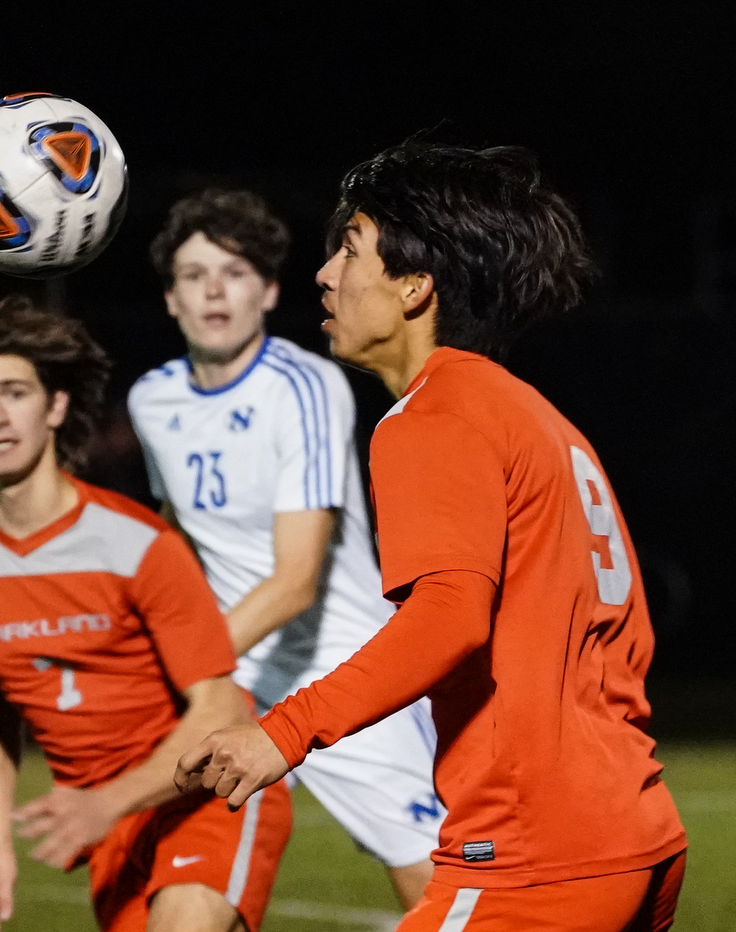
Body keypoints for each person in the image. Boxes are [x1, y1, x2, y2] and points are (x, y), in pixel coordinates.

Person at [175, 142, 688, 932]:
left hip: (536, 856)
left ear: (415, 287)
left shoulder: (433, 416)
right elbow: (626, 637)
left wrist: (283, 731)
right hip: (634, 830)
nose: (326, 274)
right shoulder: (544, 424)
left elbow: (448, 615)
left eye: (351, 249)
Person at [0, 296, 292, 932]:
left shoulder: (135, 544)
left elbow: (220, 710)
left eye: (14, 392)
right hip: (106, 819)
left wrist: (105, 804)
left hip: (208, 790)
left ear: (56, 406)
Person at [128, 189, 442, 908]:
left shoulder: (303, 387)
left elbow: (295, 581)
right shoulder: (151, 400)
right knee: (193, 895)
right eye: (194, 274)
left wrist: (177, 664)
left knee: (434, 884)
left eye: (234, 272)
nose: (214, 289)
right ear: (171, 299)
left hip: (344, 671)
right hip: (235, 684)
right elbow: (175, 530)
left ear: (267, 291)